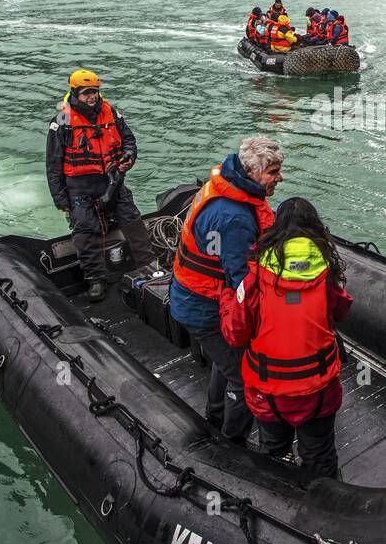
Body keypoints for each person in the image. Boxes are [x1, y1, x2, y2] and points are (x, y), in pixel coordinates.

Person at [222, 197, 351, 477]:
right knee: (321, 456)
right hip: (318, 391)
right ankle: (327, 504)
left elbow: (235, 333)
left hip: (267, 392)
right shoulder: (327, 272)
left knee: (272, 454)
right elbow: (341, 310)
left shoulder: (253, 277)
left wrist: (226, 298)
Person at [170, 137, 283, 443]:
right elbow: (241, 281)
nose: (279, 178)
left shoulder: (226, 188)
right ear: (252, 172)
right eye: (273, 171)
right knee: (246, 378)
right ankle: (232, 443)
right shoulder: (233, 217)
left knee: (228, 360)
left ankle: (215, 416)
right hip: (204, 306)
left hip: (193, 297)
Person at [45, 70, 155, 301]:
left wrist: (128, 158)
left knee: (133, 222)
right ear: (75, 93)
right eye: (86, 93)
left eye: (94, 91)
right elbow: (53, 164)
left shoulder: (112, 113)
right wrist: (61, 199)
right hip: (80, 188)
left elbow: (129, 141)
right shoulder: (62, 122)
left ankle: (149, 266)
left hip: (113, 181)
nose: (92, 97)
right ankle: (96, 280)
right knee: (85, 234)